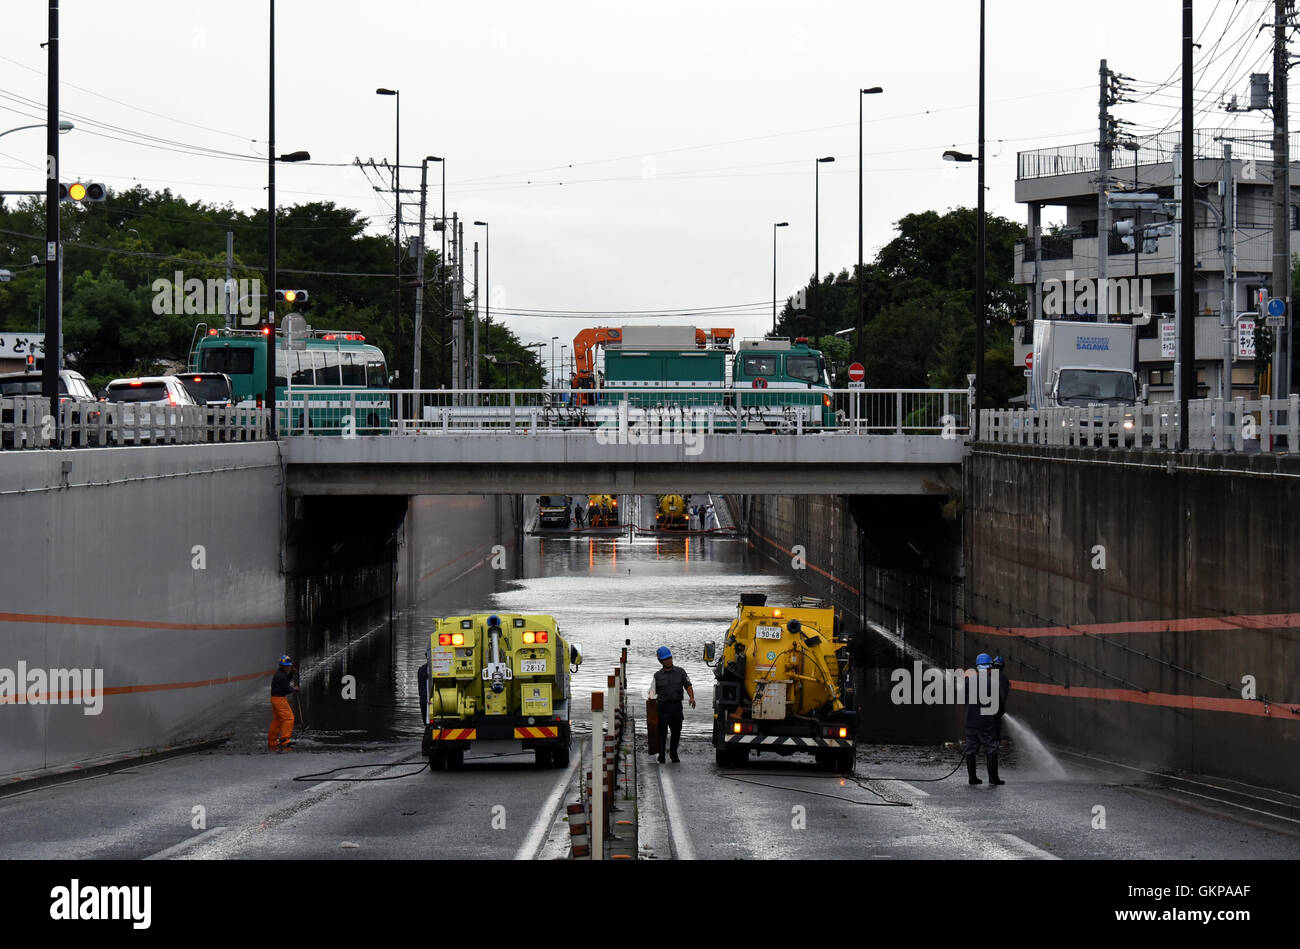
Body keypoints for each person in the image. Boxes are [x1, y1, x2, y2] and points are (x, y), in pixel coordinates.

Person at [964, 653, 1004, 786]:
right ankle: (993, 778)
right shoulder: (993, 683)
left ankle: (972, 778)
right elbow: (999, 706)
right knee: (991, 749)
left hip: (970, 721)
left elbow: (964, 698)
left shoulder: (969, 681)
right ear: (988, 667)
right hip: (985, 723)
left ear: (977, 667)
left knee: (970, 750)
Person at [652, 646, 695, 763]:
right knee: (662, 732)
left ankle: (673, 754)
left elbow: (688, 685)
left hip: (676, 707)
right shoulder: (657, 676)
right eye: (666, 659)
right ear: (661, 661)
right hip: (662, 707)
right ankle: (661, 755)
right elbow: (652, 693)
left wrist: (691, 697)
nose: (669, 660)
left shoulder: (681, 672)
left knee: (676, 731)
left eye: (670, 658)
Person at [269, 655, 299, 752]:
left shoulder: (280, 674)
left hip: (275, 699)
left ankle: (272, 741)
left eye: (289, 666)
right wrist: (294, 689)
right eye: (287, 666)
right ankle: (285, 740)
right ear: (282, 666)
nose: (288, 667)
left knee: (277, 720)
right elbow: (286, 689)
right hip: (279, 699)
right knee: (289, 718)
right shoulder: (281, 676)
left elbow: (285, 681)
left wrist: (291, 674)